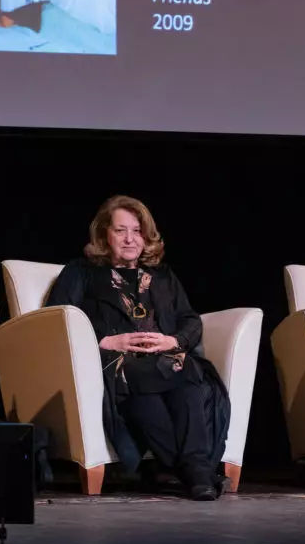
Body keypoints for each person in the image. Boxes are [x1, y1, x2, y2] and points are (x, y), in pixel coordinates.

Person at [46, 195, 230, 501]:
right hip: (119, 365)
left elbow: (190, 320)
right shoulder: (81, 272)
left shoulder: (163, 276)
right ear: (104, 234)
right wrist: (106, 340)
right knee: (149, 380)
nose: (130, 239)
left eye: (137, 231)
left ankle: (191, 473)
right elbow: (56, 319)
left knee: (189, 380)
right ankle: (198, 473)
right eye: (120, 231)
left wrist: (173, 341)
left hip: (169, 361)